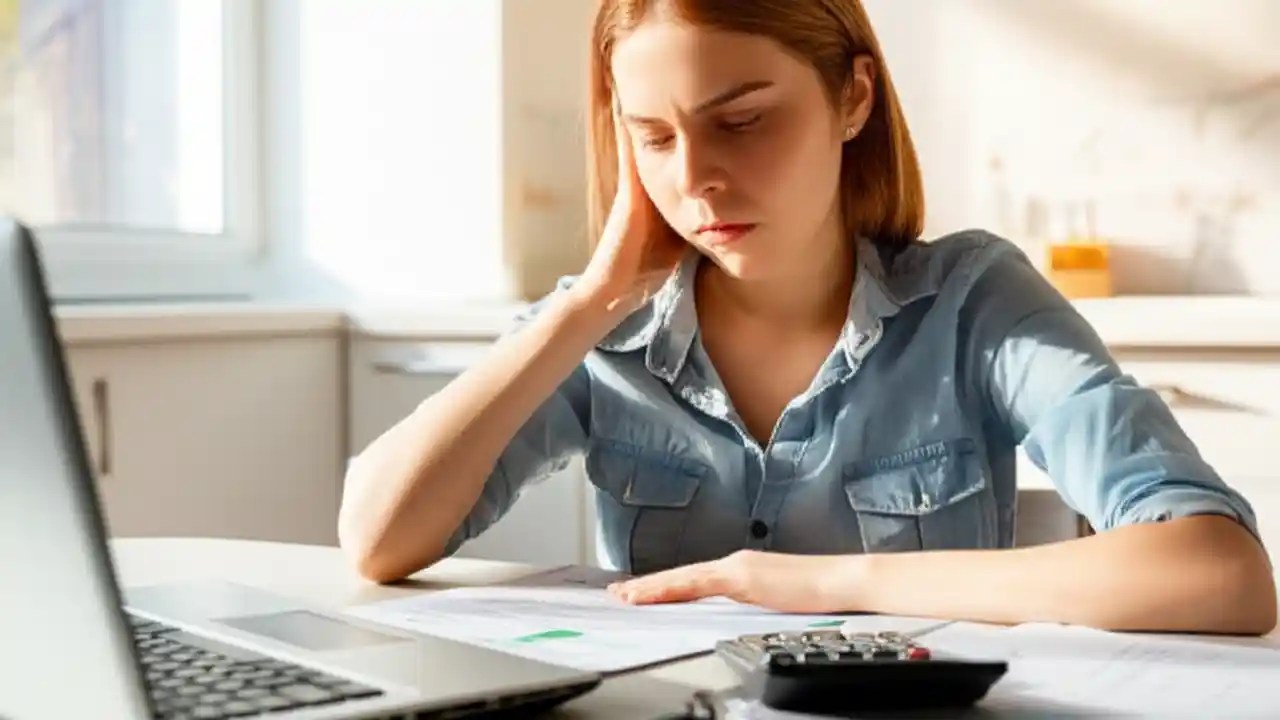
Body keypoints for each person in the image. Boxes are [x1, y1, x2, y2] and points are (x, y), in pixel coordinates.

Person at [337, 0, 1276, 634]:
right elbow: (375, 541)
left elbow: (1221, 572)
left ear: (852, 97)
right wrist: (586, 301)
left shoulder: (975, 303)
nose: (695, 177)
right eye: (654, 137)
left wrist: (818, 585)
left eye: (741, 121)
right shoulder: (605, 337)